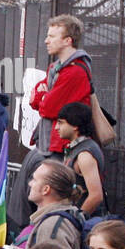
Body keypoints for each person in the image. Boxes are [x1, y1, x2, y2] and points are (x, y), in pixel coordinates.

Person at [31, 14, 93, 156]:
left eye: (52, 37)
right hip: (51, 144)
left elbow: (48, 108)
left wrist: (42, 97)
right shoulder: (55, 67)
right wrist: (42, 97)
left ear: (67, 41)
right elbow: (35, 100)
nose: (46, 41)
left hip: (63, 147)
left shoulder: (75, 71)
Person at [19, 161, 83, 249]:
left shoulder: (52, 226)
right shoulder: (61, 217)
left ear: (46, 189)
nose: (30, 183)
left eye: (35, 179)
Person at [56, 102, 106, 218]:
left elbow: (96, 196)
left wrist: (76, 220)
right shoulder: (79, 149)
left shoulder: (84, 155)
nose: (57, 127)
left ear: (75, 125)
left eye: (60, 123)